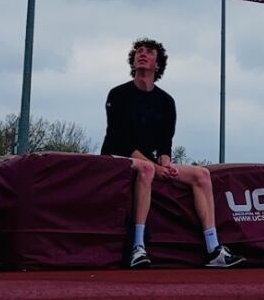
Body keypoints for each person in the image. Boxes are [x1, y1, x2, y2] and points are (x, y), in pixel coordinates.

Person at [100, 37, 245, 269]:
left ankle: (213, 248)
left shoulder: (166, 101)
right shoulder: (117, 95)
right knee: (147, 169)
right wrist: (154, 166)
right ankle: (137, 247)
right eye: (138, 51)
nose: (142, 54)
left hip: (150, 163)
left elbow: (165, 142)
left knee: (202, 175)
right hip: (117, 159)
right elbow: (121, 140)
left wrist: (166, 164)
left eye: (148, 51)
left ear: (157, 64)